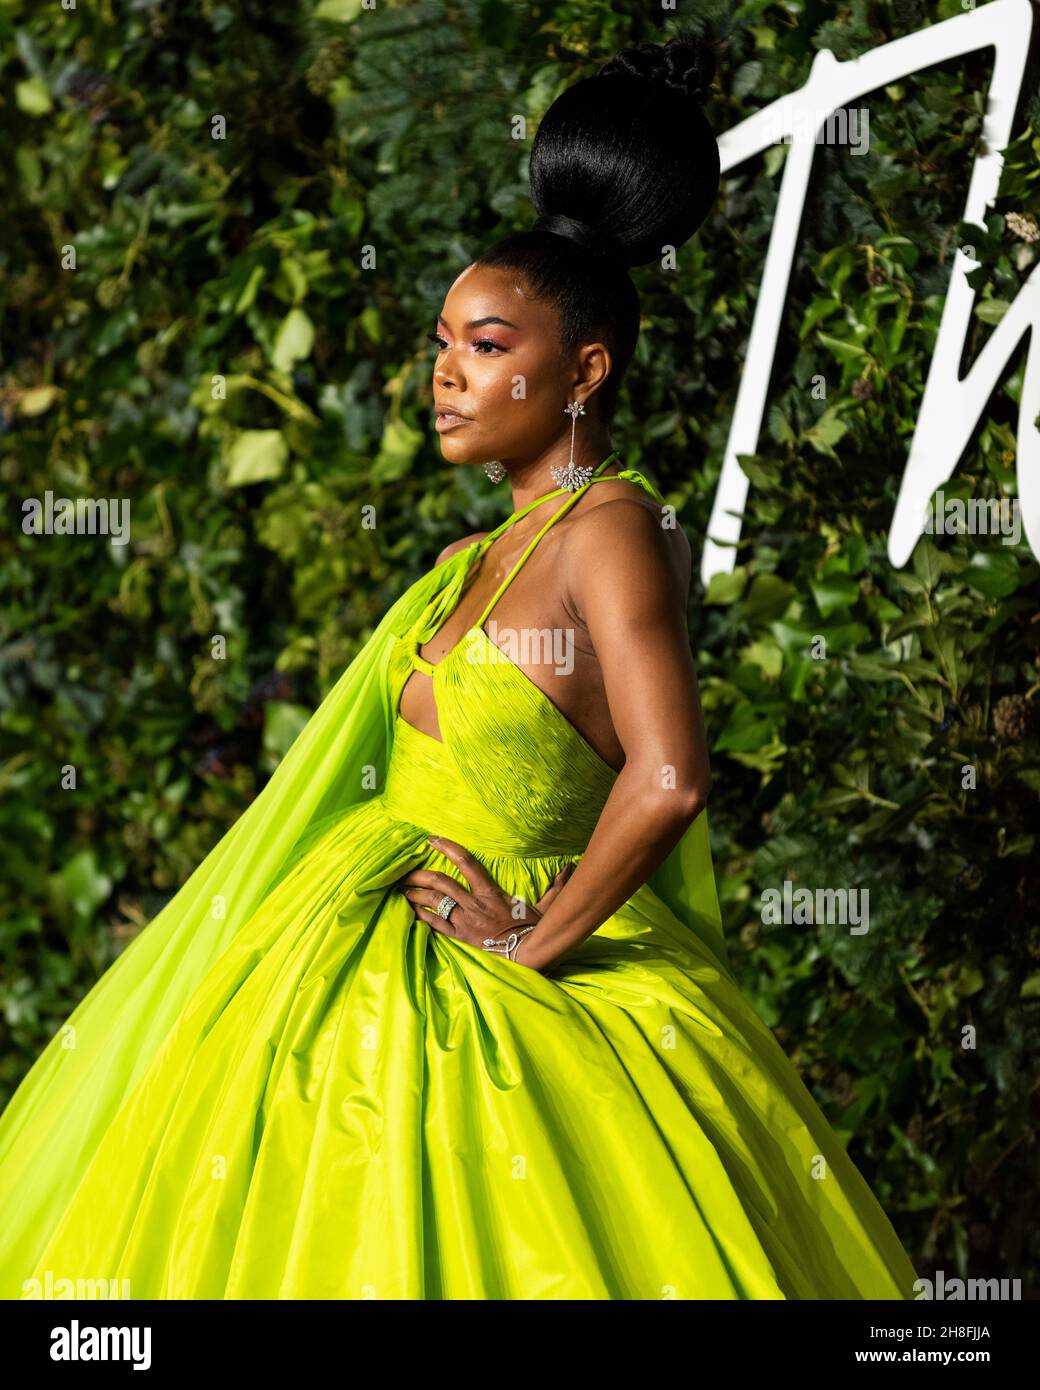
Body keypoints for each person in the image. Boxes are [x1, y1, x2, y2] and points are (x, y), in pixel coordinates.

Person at [0, 34, 918, 1300]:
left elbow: (666, 776)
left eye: (485, 345)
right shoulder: (468, 553)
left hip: (503, 988)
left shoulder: (610, 533)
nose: (444, 372)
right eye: (443, 339)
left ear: (582, 371)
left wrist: (536, 948)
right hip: (337, 956)